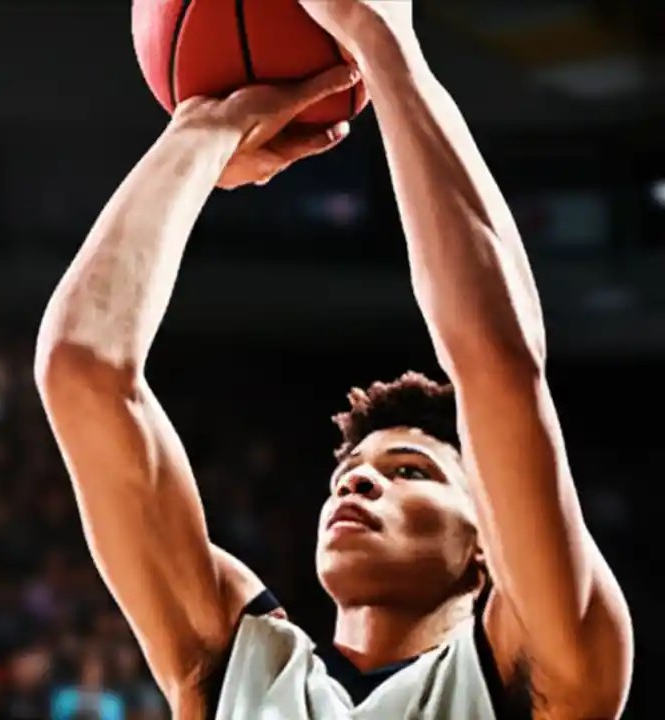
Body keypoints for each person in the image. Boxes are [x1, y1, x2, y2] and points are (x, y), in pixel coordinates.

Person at [33, 1, 633, 718]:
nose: (360, 486)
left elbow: (498, 362)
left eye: (411, 472)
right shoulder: (239, 664)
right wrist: (200, 131)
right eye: (352, 474)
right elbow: (82, 370)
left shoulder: (549, 672)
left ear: (486, 545)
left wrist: (383, 43)